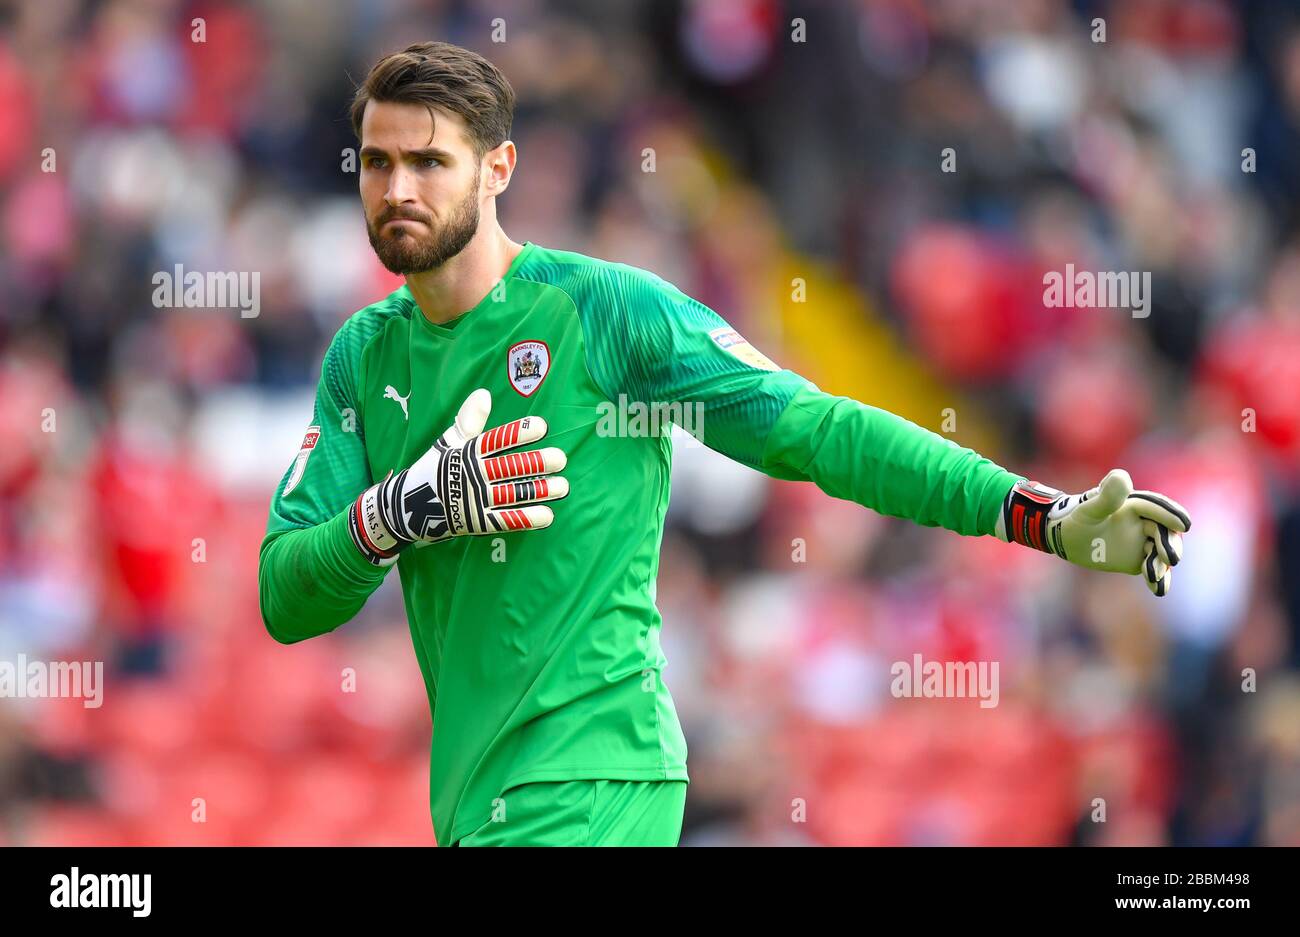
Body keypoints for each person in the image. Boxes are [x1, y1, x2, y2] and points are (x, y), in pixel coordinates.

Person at [257, 41, 1191, 846]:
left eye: (429, 162)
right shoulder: (361, 355)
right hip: (472, 801)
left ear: (498, 169)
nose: (397, 189)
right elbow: (284, 593)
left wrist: (1039, 514)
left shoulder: (607, 311)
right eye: (376, 164)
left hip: (592, 776)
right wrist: (388, 516)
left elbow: (821, 432)